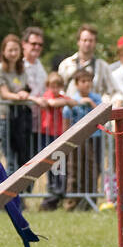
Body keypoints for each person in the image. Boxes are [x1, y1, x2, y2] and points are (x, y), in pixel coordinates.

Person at [0, 34, 33, 172]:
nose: (13, 53)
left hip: (20, 118)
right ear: (3, 51)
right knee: (10, 159)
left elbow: (23, 89)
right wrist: (21, 96)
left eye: (16, 50)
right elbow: (4, 94)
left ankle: (21, 191)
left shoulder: (22, 70)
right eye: (10, 50)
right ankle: (9, 192)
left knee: (22, 156)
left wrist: (25, 94)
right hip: (5, 118)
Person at [62, 70, 102, 210]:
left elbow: (102, 114)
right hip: (76, 140)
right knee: (75, 170)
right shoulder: (73, 100)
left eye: (89, 81)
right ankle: (72, 203)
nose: (87, 84)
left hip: (93, 139)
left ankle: (90, 203)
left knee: (92, 170)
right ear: (77, 84)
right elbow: (66, 116)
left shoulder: (96, 98)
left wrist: (90, 102)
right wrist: (77, 103)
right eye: (83, 81)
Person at [37, 72, 76, 211]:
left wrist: (64, 101)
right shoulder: (47, 96)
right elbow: (51, 103)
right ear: (47, 86)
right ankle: (52, 193)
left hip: (59, 135)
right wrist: (63, 101)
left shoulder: (62, 97)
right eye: (52, 86)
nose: (54, 89)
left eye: (57, 86)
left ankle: (58, 193)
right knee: (50, 166)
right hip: (46, 135)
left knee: (60, 166)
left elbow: (74, 102)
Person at [57, 25, 116, 98]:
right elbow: (58, 90)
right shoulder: (66, 64)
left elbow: (114, 92)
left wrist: (111, 102)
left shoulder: (102, 66)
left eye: (91, 41)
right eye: (84, 40)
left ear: (95, 43)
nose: (87, 44)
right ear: (78, 42)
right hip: (71, 107)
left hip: (95, 107)